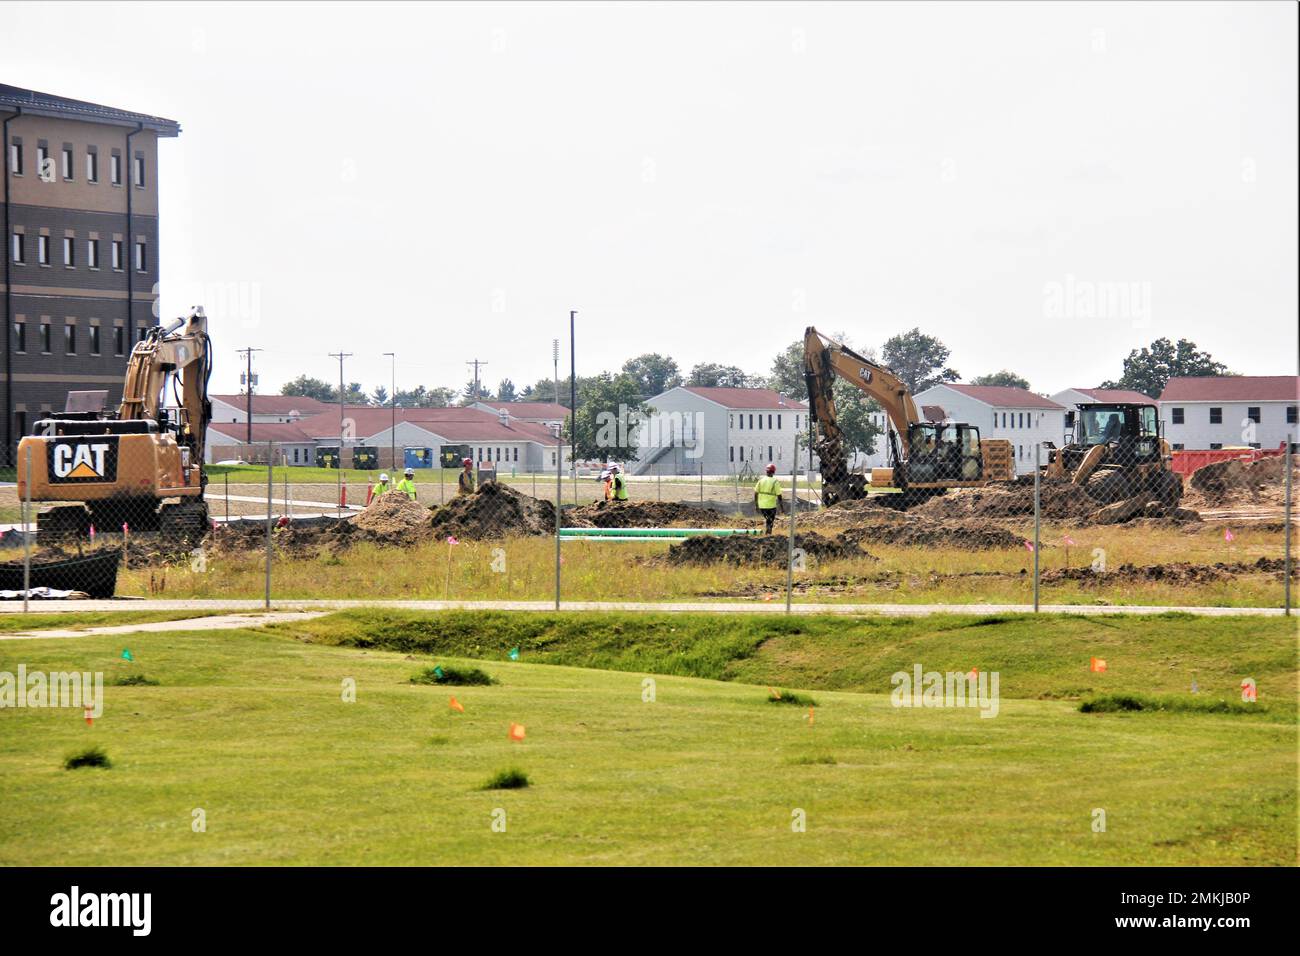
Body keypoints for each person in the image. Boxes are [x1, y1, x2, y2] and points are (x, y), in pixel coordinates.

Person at [753, 463, 785, 534]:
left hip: (762, 506)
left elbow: (755, 493)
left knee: (768, 520)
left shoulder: (761, 481)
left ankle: (767, 534)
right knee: (770, 521)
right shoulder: (775, 482)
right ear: (773, 472)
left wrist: (756, 505)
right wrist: (782, 507)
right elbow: (779, 495)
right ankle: (768, 534)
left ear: (766, 471)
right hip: (771, 506)